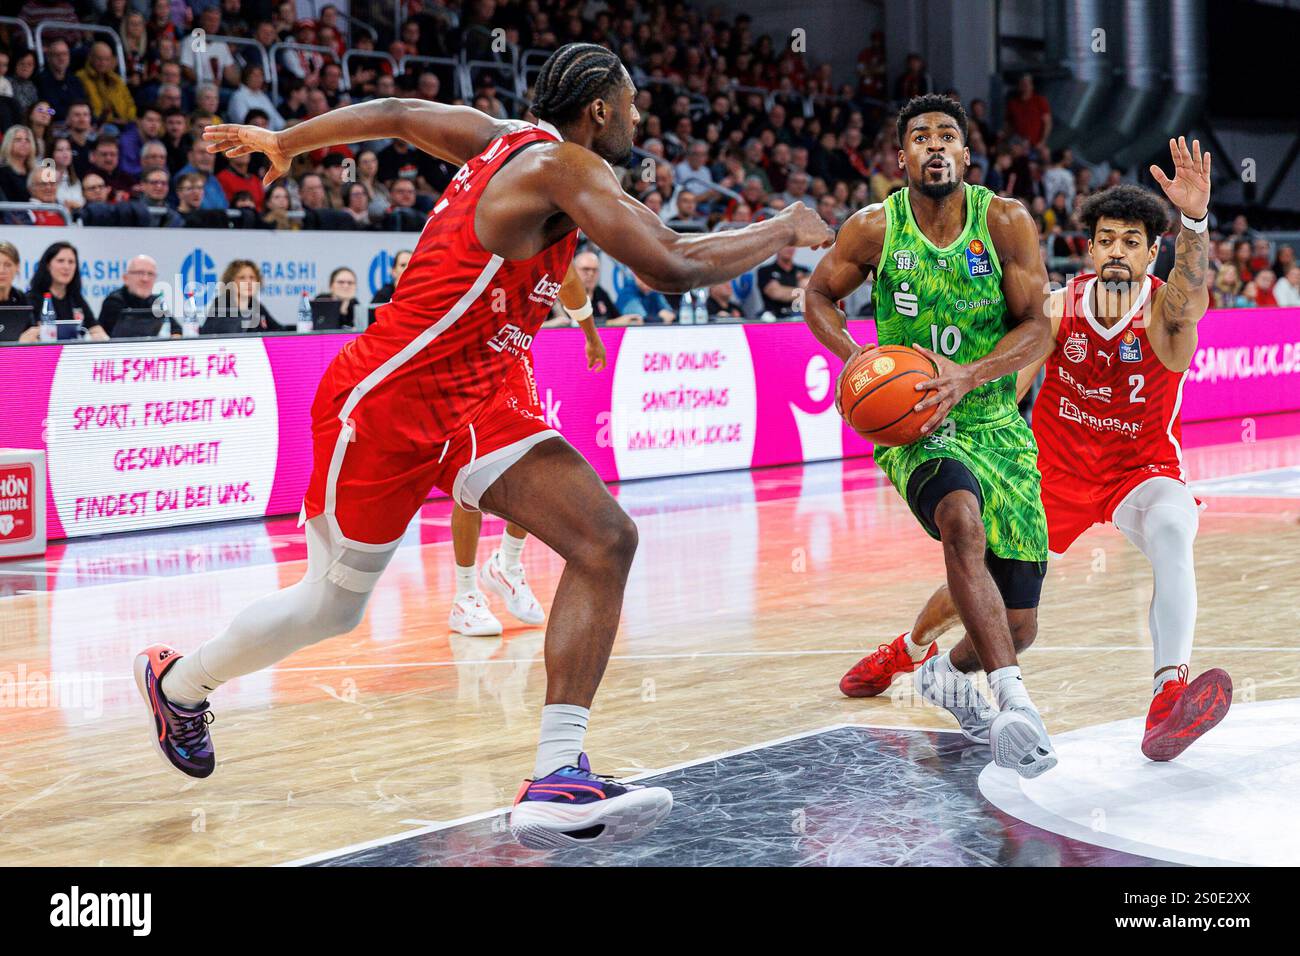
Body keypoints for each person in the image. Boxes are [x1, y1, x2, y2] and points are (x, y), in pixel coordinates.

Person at [143, 42, 831, 851]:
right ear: (600, 111)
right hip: (390, 398)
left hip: (482, 394)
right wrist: (785, 227)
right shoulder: (565, 166)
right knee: (330, 607)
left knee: (606, 539)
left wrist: (291, 141)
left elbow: (398, 115)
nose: (642, 119)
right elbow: (671, 263)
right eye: (633, 105)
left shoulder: (495, 135)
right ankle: (179, 684)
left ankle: (556, 772)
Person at [846, 146, 1230, 761]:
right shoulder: (1056, 309)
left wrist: (1195, 223)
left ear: (1150, 253)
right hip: (1054, 471)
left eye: (1132, 242)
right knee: (990, 580)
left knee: (1173, 526)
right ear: (1089, 248)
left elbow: (1189, 293)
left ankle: (1167, 695)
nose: (1116, 251)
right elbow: (1009, 389)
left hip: (1139, 470)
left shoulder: (1167, 308)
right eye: (1106, 239)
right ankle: (913, 649)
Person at [805, 95, 1056, 777]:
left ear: (968, 156)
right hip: (915, 425)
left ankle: (945, 674)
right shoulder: (871, 230)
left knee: (1021, 623)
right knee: (959, 519)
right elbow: (817, 296)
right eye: (921, 137)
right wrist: (856, 356)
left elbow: (1038, 325)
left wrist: (970, 376)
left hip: (995, 421)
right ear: (902, 158)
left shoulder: (1003, 222)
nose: (935, 145)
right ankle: (1014, 704)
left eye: (948, 136)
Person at [450, 264, 606, 636]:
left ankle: (508, 563)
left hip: (514, 361)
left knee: (530, 463)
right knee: (468, 473)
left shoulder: (552, 244)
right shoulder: (489, 237)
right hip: (467, 364)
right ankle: (465, 594)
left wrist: (590, 334)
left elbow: (568, 280)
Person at [24, 241, 106, 342]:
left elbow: (96, 328)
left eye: (71, 262)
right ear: (48, 265)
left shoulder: (76, 298)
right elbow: (30, 337)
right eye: (60, 261)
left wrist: (98, 336)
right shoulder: (32, 298)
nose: (66, 267)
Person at [99, 254, 174, 337]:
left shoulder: (157, 303)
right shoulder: (113, 302)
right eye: (140, 273)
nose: (145, 279)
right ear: (125, 278)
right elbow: (108, 338)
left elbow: (176, 330)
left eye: (150, 274)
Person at [203, 259, 286, 333]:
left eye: (252, 277)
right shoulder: (221, 303)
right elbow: (212, 332)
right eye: (242, 278)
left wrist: (298, 328)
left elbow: (278, 330)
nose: (249, 282)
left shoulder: (255, 304)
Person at [757, 246, 808, 317]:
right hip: (774, 318)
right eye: (786, 245)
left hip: (799, 317)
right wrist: (802, 290)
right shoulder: (765, 271)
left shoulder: (804, 270)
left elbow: (810, 293)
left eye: (792, 246)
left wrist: (784, 290)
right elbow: (776, 293)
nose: (789, 249)